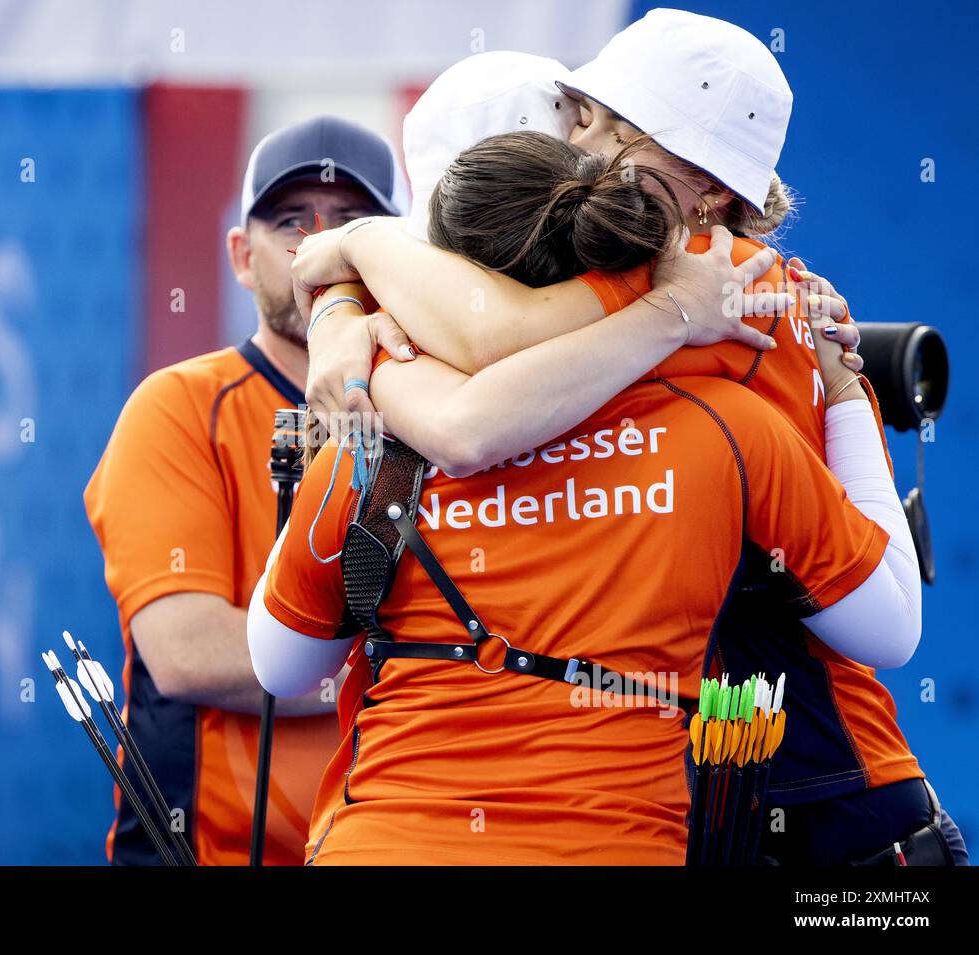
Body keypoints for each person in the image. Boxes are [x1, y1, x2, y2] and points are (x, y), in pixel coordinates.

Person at [288, 15, 965, 864]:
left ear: (708, 189)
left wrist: (356, 278)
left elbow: (481, 371)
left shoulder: (689, 282)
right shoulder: (738, 288)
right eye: (579, 116)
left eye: (611, 128)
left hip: (813, 793)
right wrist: (349, 301)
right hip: (750, 796)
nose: (580, 146)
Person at [83, 115, 408, 865]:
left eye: (354, 223)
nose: (318, 246)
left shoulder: (440, 411)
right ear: (240, 253)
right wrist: (408, 669)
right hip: (214, 849)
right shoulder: (179, 406)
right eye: (292, 221)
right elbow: (188, 652)